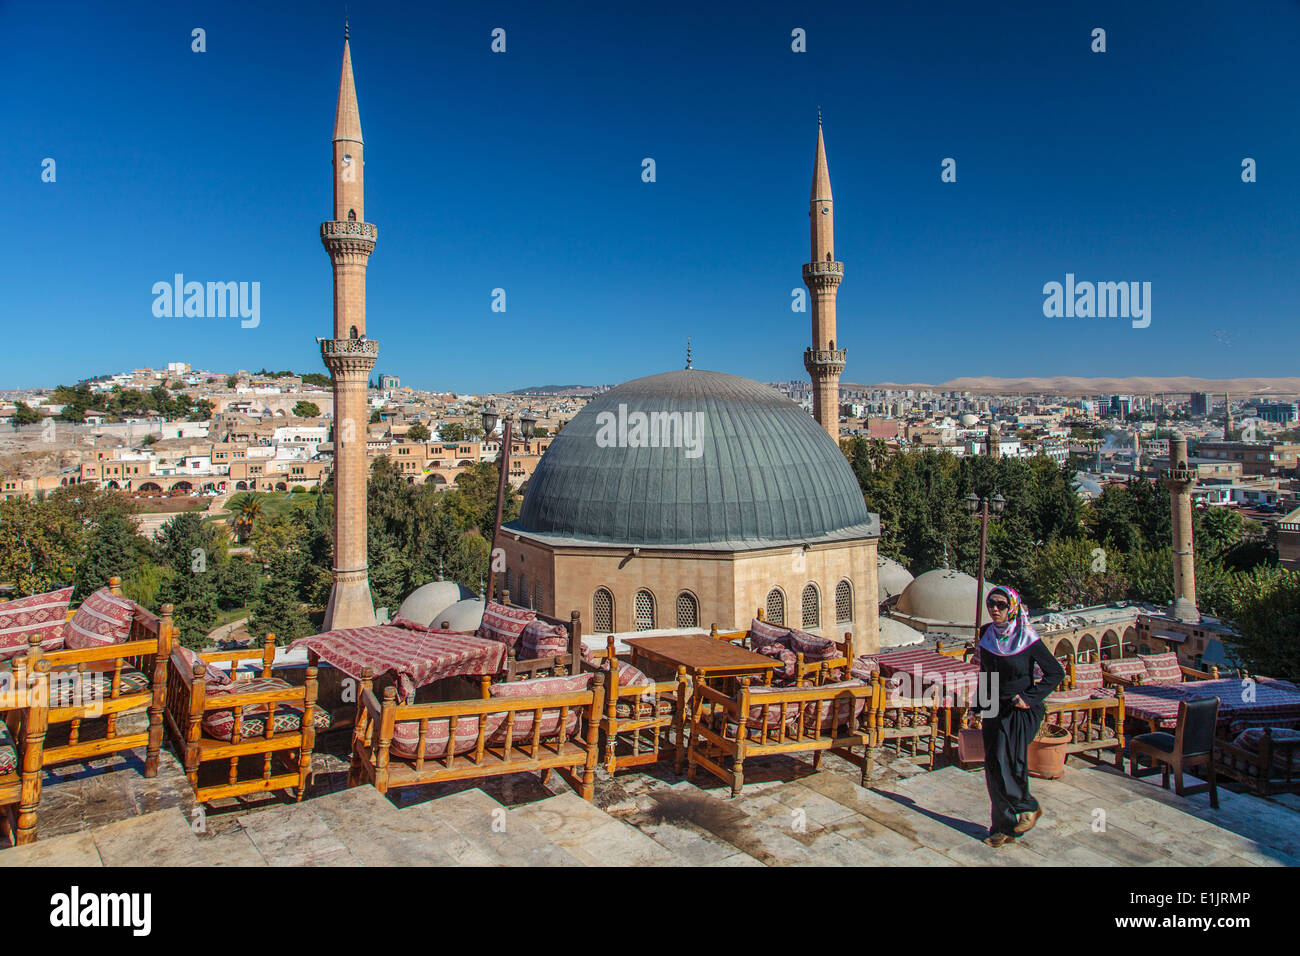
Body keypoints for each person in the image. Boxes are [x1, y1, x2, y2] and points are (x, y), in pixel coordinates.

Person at [974, 585, 1065, 847]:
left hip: (1020, 708)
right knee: (993, 766)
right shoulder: (987, 634)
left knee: (1009, 762)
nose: (994, 609)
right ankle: (1003, 826)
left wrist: (1029, 698)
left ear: (1012, 607)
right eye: (991, 604)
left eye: (1001, 605)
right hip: (994, 704)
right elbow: (986, 673)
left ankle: (1027, 805)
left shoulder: (1028, 637)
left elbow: (1055, 673)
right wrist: (978, 706)